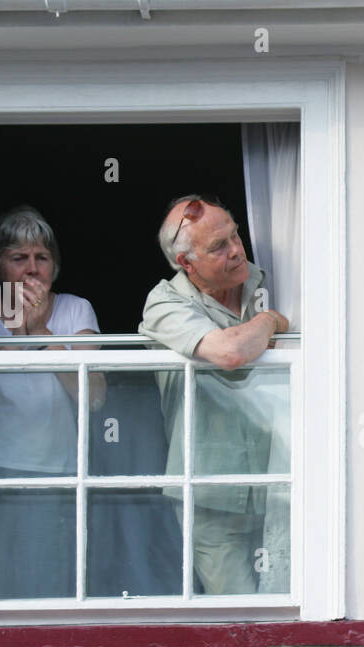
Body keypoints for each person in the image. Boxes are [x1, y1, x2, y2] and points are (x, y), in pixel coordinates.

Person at [140, 195, 290, 595]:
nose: (237, 250)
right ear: (187, 264)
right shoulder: (164, 303)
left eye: (235, 235)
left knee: (294, 602)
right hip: (210, 494)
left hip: (278, 482)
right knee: (242, 615)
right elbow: (230, 352)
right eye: (219, 247)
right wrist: (270, 321)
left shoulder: (272, 279)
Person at [0, 205, 103, 599]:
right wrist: (10, 339)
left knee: (45, 579)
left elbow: (94, 396)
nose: (32, 269)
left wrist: (42, 332)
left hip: (56, 471)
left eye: (41, 258)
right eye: (18, 258)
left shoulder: (74, 309)